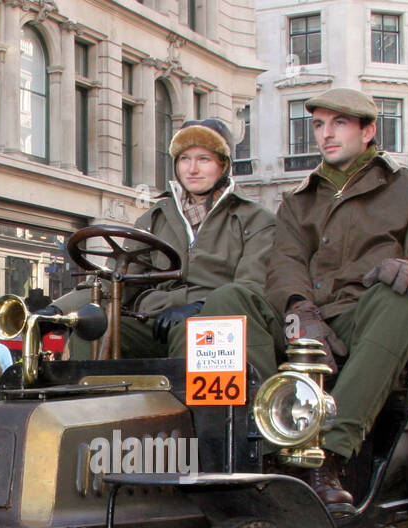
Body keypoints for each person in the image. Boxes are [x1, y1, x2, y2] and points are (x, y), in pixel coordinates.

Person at [260, 88, 408, 511]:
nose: (325, 134)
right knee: (233, 297)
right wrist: (300, 308)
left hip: (367, 323)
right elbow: (283, 265)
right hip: (308, 323)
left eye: (339, 124)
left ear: (368, 131)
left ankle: (327, 457)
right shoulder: (298, 201)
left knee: (403, 297)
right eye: (318, 125)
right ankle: (253, 436)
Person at [60, 119, 279, 382]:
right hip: (154, 319)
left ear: (223, 165)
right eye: (184, 158)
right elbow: (119, 278)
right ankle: (93, 412)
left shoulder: (254, 218)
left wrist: (199, 308)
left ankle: (191, 419)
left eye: (204, 159)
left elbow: (251, 286)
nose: (193, 169)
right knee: (93, 330)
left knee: (192, 335)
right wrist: (58, 311)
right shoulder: (154, 218)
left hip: (218, 323)